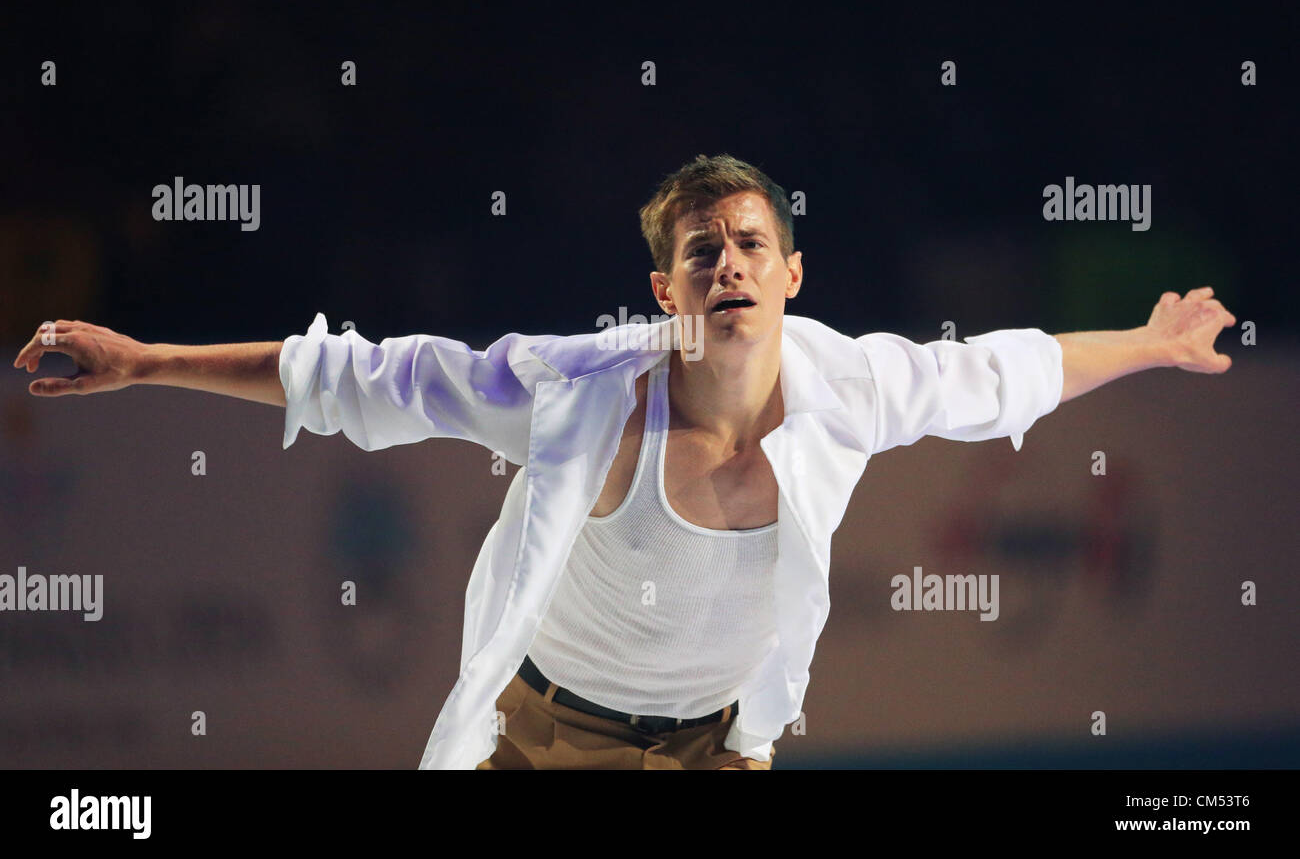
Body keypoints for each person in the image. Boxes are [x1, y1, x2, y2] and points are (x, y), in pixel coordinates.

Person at [11, 154, 1236, 769]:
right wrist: (146, 358)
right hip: (548, 742)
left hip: (718, 748)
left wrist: (1151, 340)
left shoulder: (854, 384)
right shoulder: (574, 390)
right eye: (703, 252)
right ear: (666, 287)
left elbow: (1009, 372)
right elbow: (356, 376)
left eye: (753, 244)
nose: (732, 266)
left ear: (793, 273)